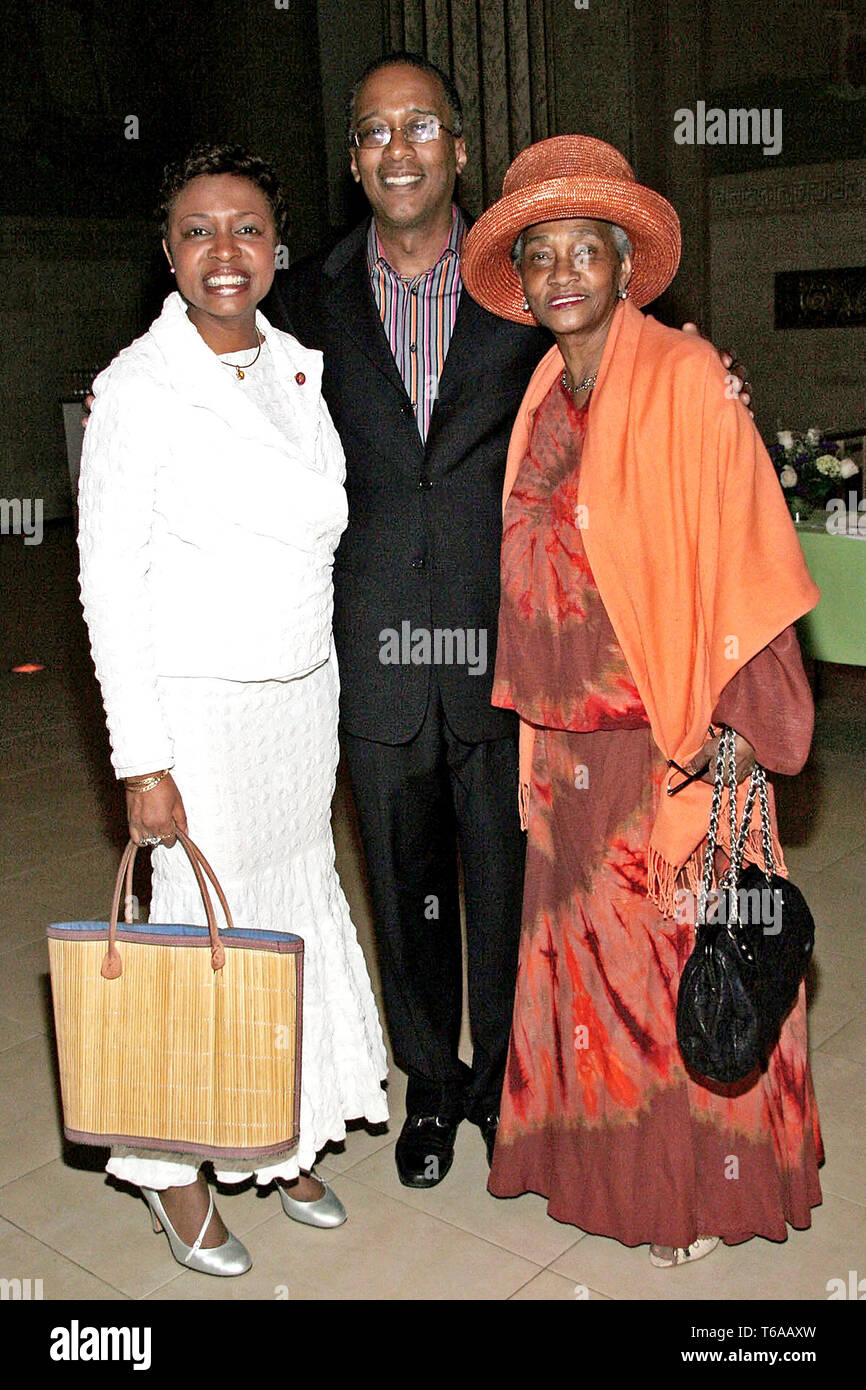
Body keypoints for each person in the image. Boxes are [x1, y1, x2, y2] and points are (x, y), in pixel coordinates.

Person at [266, 52, 752, 1189]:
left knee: (505, 886)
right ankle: (431, 1087)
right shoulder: (306, 300)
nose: (398, 148)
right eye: (375, 130)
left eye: (420, 126)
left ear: (457, 148)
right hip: (374, 653)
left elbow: (617, 366)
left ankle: (501, 1086)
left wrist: (702, 380)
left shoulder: (521, 290)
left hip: (511, 655)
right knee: (404, 890)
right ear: (352, 160)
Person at [460, 134, 823, 1263]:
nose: (561, 270)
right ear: (521, 280)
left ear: (624, 265)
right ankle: (603, 1173)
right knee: (589, 973)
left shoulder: (682, 376)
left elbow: (743, 550)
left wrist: (731, 732)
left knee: (673, 964)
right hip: (561, 746)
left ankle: (690, 1192)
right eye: (540, 254)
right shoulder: (537, 392)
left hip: (659, 739)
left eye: (585, 249)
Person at [78, 144, 387, 1275]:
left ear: (278, 248)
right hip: (200, 711)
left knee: (286, 919)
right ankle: (176, 1178)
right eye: (199, 229)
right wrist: (140, 758)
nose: (225, 251)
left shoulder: (299, 368)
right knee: (197, 932)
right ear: (166, 252)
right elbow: (107, 584)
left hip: (300, 700)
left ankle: (279, 1135)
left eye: (247, 228)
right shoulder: (136, 388)